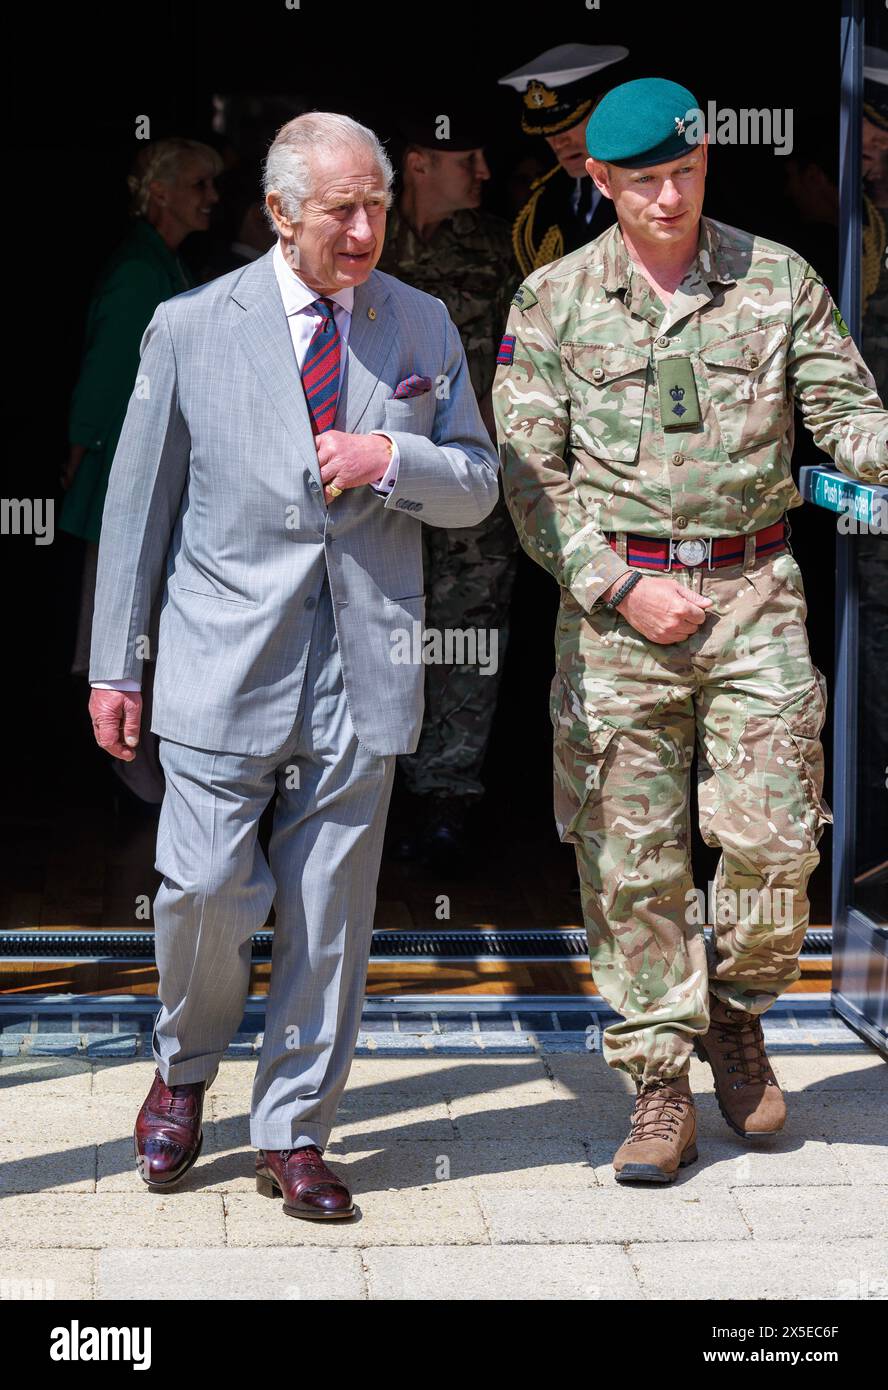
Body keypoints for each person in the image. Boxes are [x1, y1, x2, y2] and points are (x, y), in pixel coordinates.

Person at [88, 112, 498, 1217]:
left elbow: (476, 481)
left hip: (363, 663)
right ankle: (182, 1070)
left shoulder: (419, 322)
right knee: (205, 890)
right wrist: (115, 666)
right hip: (222, 661)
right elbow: (138, 507)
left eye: (376, 206)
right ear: (279, 214)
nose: (367, 230)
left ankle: (296, 1129)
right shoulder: (189, 325)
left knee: (330, 911)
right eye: (341, 211)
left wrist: (390, 457)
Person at [493, 77, 888, 1184]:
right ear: (600, 179)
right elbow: (535, 486)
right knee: (632, 857)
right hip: (619, 616)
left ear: (708, 157)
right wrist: (620, 588)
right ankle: (658, 1081)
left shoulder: (776, 280)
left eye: (684, 172)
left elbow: (845, 415)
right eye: (641, 181)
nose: (667, 198)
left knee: (775, 843)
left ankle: (735, 1008)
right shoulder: (553, 303)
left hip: (755, 592)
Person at [376, 111, 520, 865]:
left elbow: (525, 363)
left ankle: (445, 800)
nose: (486, 173)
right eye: (469, 158)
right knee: (373, 627)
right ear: (421, 161)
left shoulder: (500, 250)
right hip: (372, 482)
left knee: (466, 636)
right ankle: (376, 788)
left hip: (466, 475)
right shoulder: (363, 242)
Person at [61, 137, 222, 808]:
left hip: (159, 470)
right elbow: (106, 379)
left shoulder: (165, 262)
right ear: (160, 191)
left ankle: (150, 771)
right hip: (127, 471)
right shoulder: (139, 269)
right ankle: (136, 772)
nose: (212, 198)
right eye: (199, 185)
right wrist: (78, 451)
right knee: (121, 622)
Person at [498, 42, 628, 278]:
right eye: (547, 129)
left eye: (568, 124)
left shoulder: (657, 185)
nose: (558, 141)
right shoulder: (542, 200)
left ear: (606, 107)